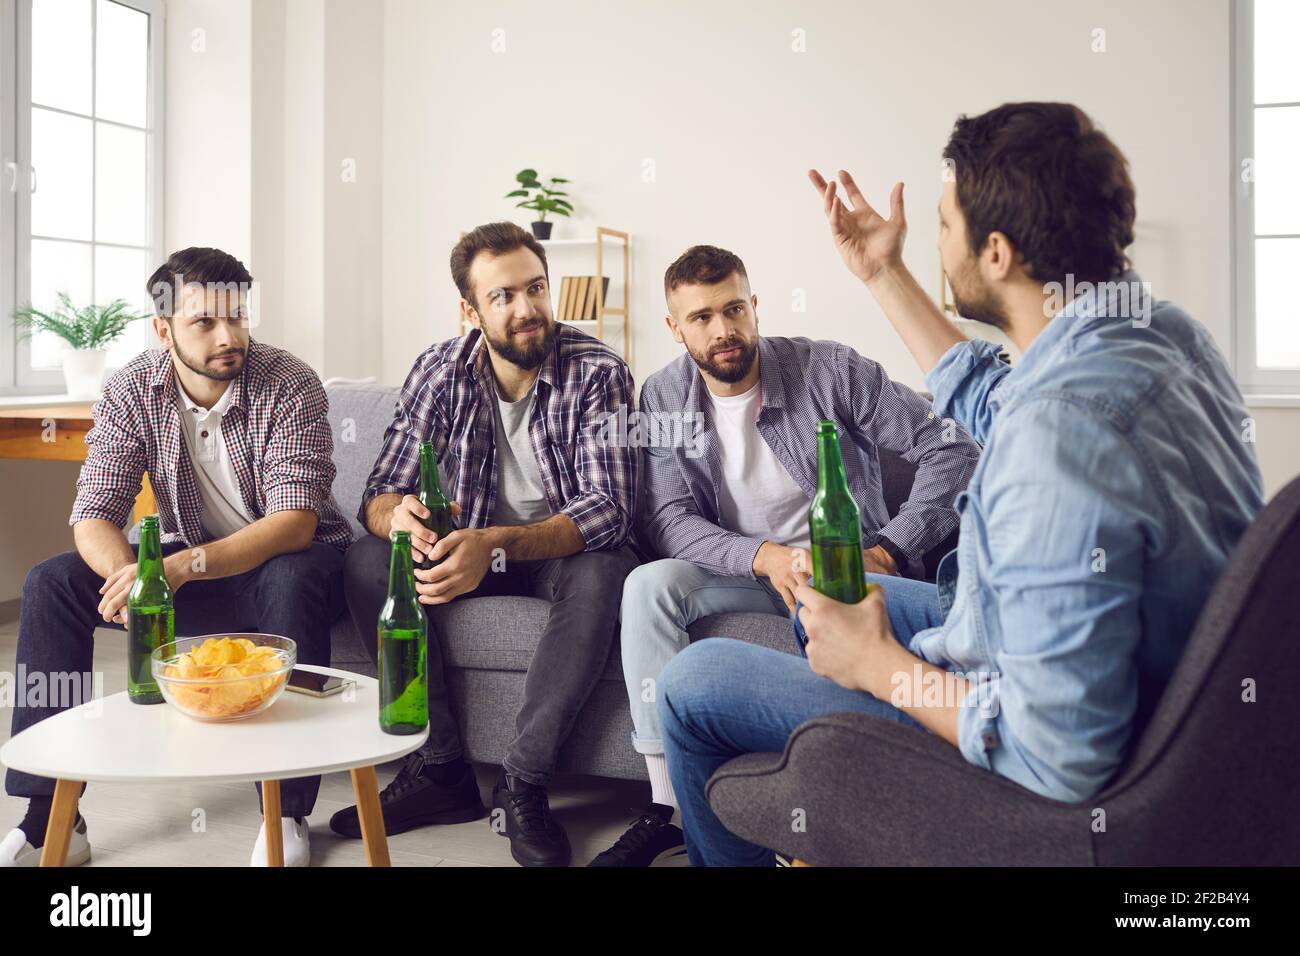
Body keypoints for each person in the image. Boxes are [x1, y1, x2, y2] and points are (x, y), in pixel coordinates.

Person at [658, 102, 1265, 866]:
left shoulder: (1057, 444)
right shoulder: (1157, 331)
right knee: (826, 603)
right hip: (1126, 677)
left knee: (691, 681)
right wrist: (884, 271)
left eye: (944, 227)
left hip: (1043, 767)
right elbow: (997, 399)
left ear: (999, 253)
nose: (936, 241)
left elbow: (1053, 754)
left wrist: (880, 666)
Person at [590, 244, 979, 866]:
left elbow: (952, 446)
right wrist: (761, 556)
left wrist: (892, 547)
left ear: (754, 305)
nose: (723, 331)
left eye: (733, 309)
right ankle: (669, 810)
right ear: (674, 326)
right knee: (647, 585)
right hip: (742, 570)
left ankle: (827, 816)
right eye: (700, 318)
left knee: (823, 618)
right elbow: (668, 520)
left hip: (839, 570)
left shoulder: (829, 369)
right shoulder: (663, 397)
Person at [1, 247, 351, 868]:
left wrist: (176, 570)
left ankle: (284, 813)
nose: (229, 336)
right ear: (162, 329)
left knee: (290, 579)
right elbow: (94, 511)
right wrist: (133, 583)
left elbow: (294, 523)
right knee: (49, 582)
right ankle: (48, 817)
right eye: (205, 322)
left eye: (237, 317)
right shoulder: (132, 387)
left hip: (290, 561)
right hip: (188, 565)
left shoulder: (289, 382)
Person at [332, 221, 639, 867]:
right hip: (460, 549)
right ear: (469, 311)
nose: (527, 310)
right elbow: (380, 491)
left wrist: (492, 546)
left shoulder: (599, 371)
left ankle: (524, 783)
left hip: (557, 554)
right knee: (366, 559)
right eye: (503, 297)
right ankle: (440, 771)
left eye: (536, 288)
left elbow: (609, 509)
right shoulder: (437, 371)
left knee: (608, 568)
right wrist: (400, 519)